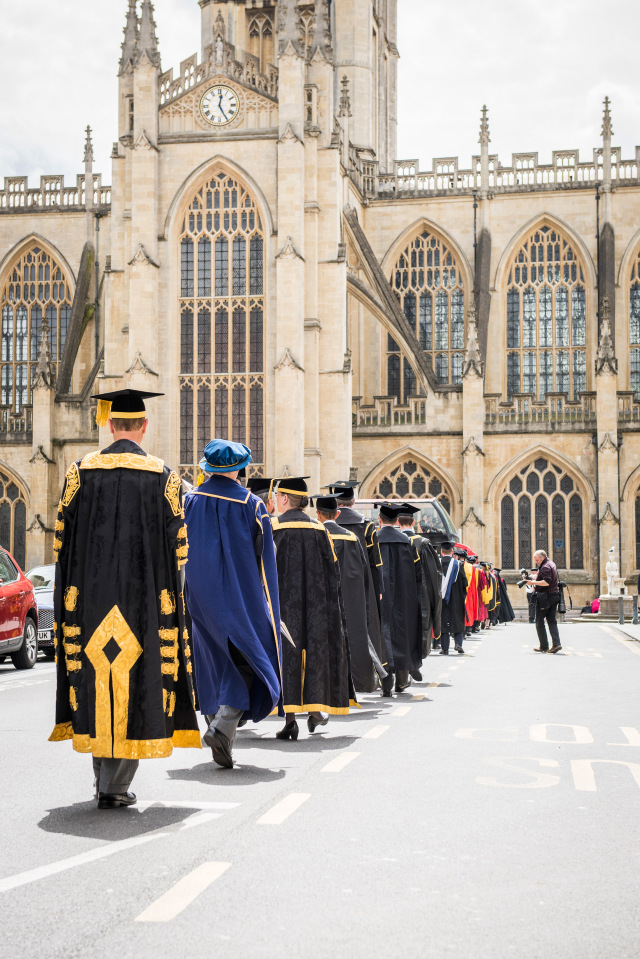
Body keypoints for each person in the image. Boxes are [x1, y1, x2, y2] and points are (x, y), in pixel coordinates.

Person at [49, 389, 200, 808]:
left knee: (96, 672)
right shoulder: (164, 478)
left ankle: (104, 777)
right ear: (144, 426)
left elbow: (61, 544)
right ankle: (113, 786)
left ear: (110, 425)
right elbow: (180, 551)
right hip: (144, 603)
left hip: (89, 599)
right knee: (136, 679)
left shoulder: (79, 474)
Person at [183, 442, 282, 769]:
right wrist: (270, 605)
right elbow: (266, 561)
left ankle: (219, 730)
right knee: (255, 655)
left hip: (199, 593)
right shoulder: (252, 505)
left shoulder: (189, 501)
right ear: (240, 468)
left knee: (211, 656)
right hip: (241, 594)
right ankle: (222, 726)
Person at [272, 478, 356, 738]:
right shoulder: (320, 531)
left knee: (287, 656)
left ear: (285, 499)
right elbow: (333, 574)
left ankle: (289, 720)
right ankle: (316, 711)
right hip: (316, 607)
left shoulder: (273, 528)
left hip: (283, 606)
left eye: (277, 496)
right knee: (315, 655)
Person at [315, 494, 385, 693]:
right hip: (350, 598)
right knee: (353, 637)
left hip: (321, 599)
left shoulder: (314, 536)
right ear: (337, 514)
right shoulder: (352, 538)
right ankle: (356, 682)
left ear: (318, 514)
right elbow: (365, 572)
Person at [331, 481, 386, 674]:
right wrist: (378, 590)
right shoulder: (366, 524)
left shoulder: (327, 524)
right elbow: (376, 562)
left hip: (332, 583)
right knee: (363, 627)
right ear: (353, 502)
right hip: (361, 585)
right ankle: (366, 672)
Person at [376, 503, 423, 695]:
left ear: (379, 519)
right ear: (397, 521)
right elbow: (418, 575)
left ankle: (386, 682)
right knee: (403, 633)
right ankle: (402, 680)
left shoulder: (373, 541)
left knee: (382, 634)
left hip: (379, 596)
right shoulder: (407, 542)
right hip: (404, 597)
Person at [397, 505, 442, 676]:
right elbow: (433, 575)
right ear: (414, 522)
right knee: (417, 629)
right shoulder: (423, 543)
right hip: (419, 596)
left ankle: (401, 668)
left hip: (396, 595)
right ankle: (414, 662)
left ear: (398, 522)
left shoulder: (391, 540)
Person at [523, 550, 562, 653]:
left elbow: (546, 582)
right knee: (551, 620)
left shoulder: (545, 567)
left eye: (537, 560)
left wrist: (533, 582)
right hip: (554, 595)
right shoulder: (551, 564)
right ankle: (556, 644)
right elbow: (547, 578)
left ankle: (544, 646)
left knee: (539, 621)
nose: (536, 562)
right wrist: (534, 578)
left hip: (545, 597)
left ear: (543, 558)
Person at [440, 541, 468, 654]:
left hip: (441, 599)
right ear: (452, 552)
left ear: (441, 552)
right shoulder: (458, 565)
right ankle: (458, 644)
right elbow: (465, 582)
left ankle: (445, 648)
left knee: (443, 621)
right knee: (457, 620)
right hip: (456, 599)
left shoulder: (437, 564)